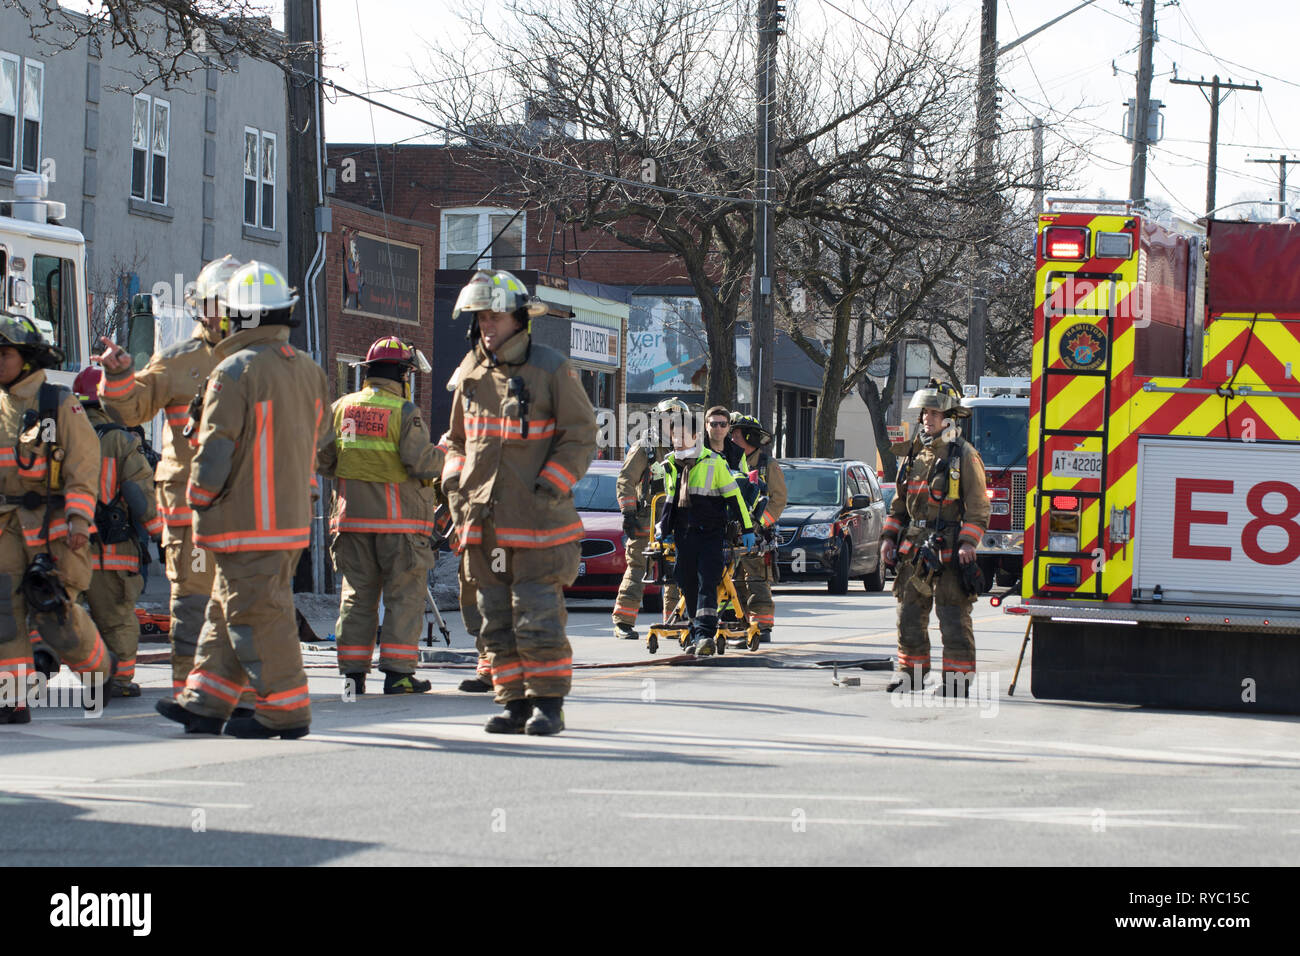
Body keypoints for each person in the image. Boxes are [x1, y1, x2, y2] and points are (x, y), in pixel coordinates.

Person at [156, 261, 329, 738]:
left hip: (244, 522)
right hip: (289, 523)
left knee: (258, 614)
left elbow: (215, 450)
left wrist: (197, 498)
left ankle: (285, 711)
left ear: (239, 317)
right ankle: (206, 701)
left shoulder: (233, 371)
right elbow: (323, 441)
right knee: (225, 606)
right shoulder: (310, 371)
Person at [443, 269, 597, 735]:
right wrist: (454, 487)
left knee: (537, 616)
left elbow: (581, 435)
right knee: (496, 622)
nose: (487, 325)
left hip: (538, 526)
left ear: (518, 318)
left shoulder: (551, 368)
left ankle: (548, 705)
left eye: (496, 316)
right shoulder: (470, 373)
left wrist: (551, 484)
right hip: (483, 526)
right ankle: (512, 703)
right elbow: (455, 443)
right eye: (480, 317)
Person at [96, 255, 242, 696]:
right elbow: (131, 407)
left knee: (246, 605)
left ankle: (243, 694)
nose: (226, 314)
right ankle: (190, 692)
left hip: (247, 506)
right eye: (220, 303)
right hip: (191, 508)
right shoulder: (179, 361)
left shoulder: (267, 360)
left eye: (235, 304)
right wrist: (119, 374)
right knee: (195, 605)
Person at [0, 317, 114, 724]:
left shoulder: (56, 403)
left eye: (5, 354)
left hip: (54, 530)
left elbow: (84, 465)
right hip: (7, 529)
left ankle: (101, 671)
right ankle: (13, 699)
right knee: (4, 614)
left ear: (27, 359)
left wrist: (80, 519)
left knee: (54, 615)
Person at [316, 337, 442, 695]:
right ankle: (399, 676)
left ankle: (352, 678)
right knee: (404, 597)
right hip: (399, 526)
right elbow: (420, 462)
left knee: (356, 597)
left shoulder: (339, 408)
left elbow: (323, 460)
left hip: (351, 522)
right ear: (402, 375)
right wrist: (447, 456)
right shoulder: (405, 412)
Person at [879, 379, 990, 696]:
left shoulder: (964, 455)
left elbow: (979, 505)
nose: (927, 417)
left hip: (949, 547)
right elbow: (899, 503)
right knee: (909, 614)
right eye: (925, 412)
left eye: (934, 412)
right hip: (914, 546)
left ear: (949, 417)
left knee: (952, 614)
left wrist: (969, 542)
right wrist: (889, 537)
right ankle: (910, 675)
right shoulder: (914, 455)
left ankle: (956, 682)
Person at [73, 365, 164, 698]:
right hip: (112, 552)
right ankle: (119, 682)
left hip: (65, 549)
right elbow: (139, 496)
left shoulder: (59, 433)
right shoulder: (121, 440)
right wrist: (160, 535)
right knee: (117, 620)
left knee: (63, 617)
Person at [657, 400, 754, 657]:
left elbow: (735, 498)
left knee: (706, 583)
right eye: (673, 435)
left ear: (696, 436)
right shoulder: (670, 465)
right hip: (683, 535)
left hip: (710, 534)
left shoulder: (714, 462)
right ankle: (694, 628)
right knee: (685, 581)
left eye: (682, 436)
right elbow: (670, 500)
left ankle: (704, 636)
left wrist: (747, 529)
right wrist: (663, 529)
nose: (677, 440)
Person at [610, 397, 683, 640]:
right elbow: (625, 480)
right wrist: (628, 513)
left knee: (676, 573)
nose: (673, 425)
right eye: (668, 419)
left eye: (678, 420)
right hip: (647, 522)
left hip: (677, 521)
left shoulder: (688, 449)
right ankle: (623, 622)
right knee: (637, 570)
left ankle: (673, 622)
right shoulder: (645, 448)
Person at [728, 413, 787, 644]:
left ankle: (762, 627)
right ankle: (741, 624)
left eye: (737, 433)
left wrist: (759, 524)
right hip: (732, 532)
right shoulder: (727, 461)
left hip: (756, 534)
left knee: (756, 579)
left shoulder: (767, 465)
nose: (734, 437)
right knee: (733, 580)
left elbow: (778, 499)